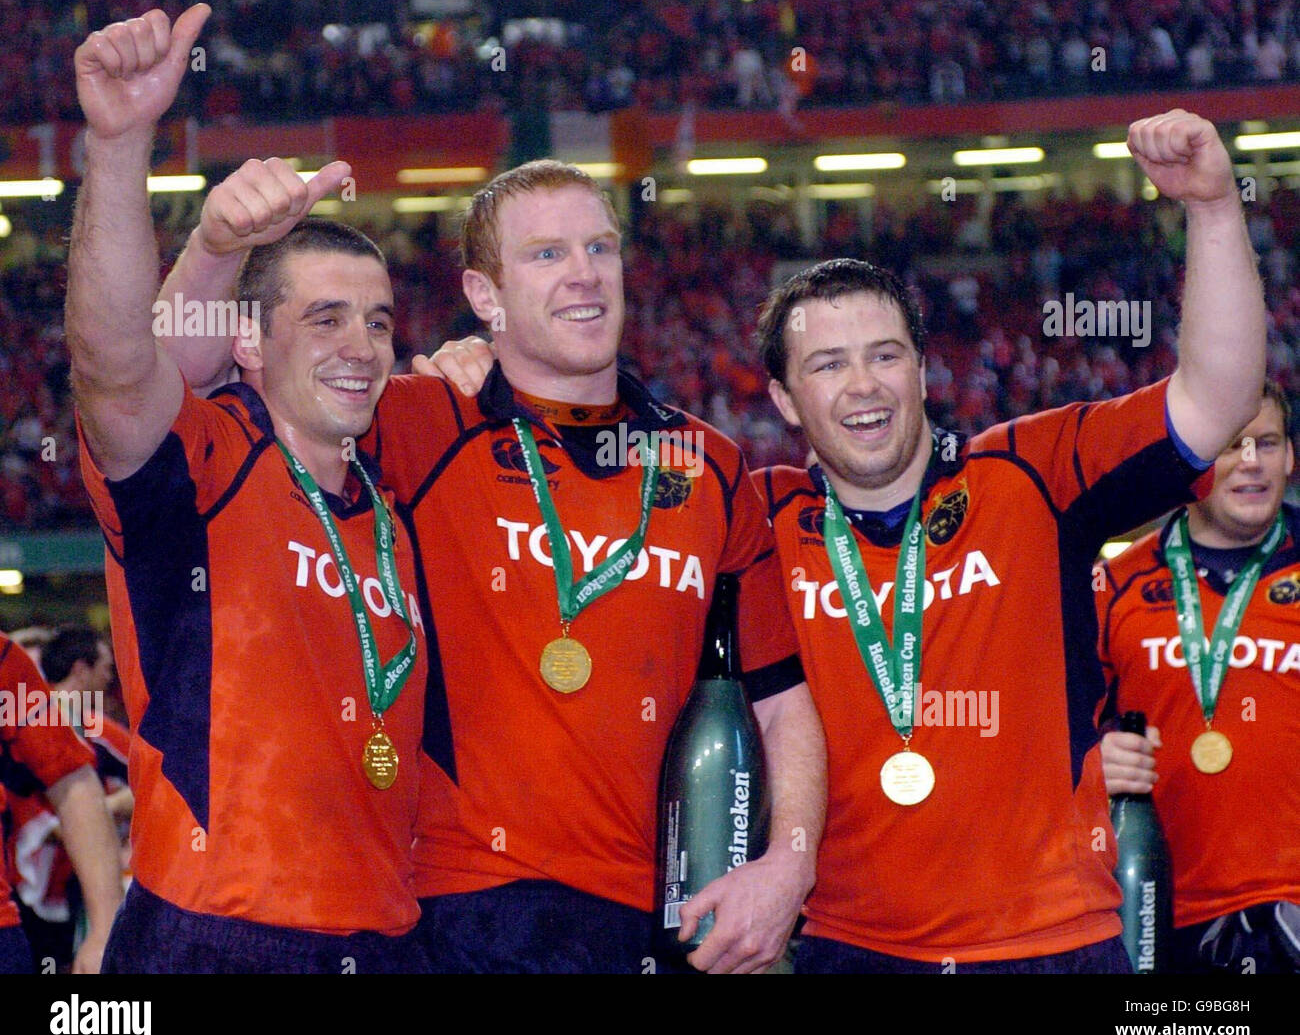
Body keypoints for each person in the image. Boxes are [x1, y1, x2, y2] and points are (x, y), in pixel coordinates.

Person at [162, 165, 826, 974]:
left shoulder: (710, 464)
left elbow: (782, 703)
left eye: (599, 248)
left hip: (661, 916)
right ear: (484, 294)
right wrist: (215, 245)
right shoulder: (417, 417)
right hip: (463, 912)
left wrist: (789, 865)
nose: (584, 273)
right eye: (546, 255)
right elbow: (178, 377)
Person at [746, 109, 1265, 971]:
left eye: (885, 355)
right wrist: (472, 375)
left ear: (922, 367)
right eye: (827, 364)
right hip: (850, 946)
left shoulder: (1029, 472)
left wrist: (1211, 208)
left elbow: (1218, 396)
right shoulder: (753, 519)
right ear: (783, 400)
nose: (863, 386)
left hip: (1053, 942)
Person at [66, 4, 430, 972]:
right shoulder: (206, 464)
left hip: (388, 937)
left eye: (379, 321)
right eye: (324, 319)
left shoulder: (391, 511)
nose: (361, 347)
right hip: (217, 934)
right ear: (248, 341)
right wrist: (119, 144)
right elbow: (111, 362)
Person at [1096, 383, 1299, 973]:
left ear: (1290, 455)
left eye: (1268, 442)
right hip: (1160, 912)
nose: (1253, 463)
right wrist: (1095, 759)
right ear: (1187, 460)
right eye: (1232, 446)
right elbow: (1053, 733)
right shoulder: (1114, 587)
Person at [7, 627, 131, 971]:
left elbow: (152, 783)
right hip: (32, 887)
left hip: (58, 889)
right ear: (81, 668)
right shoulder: (83, 725)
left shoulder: (90, 726)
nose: (109, 679)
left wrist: (94, 815)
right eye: (106, 668)